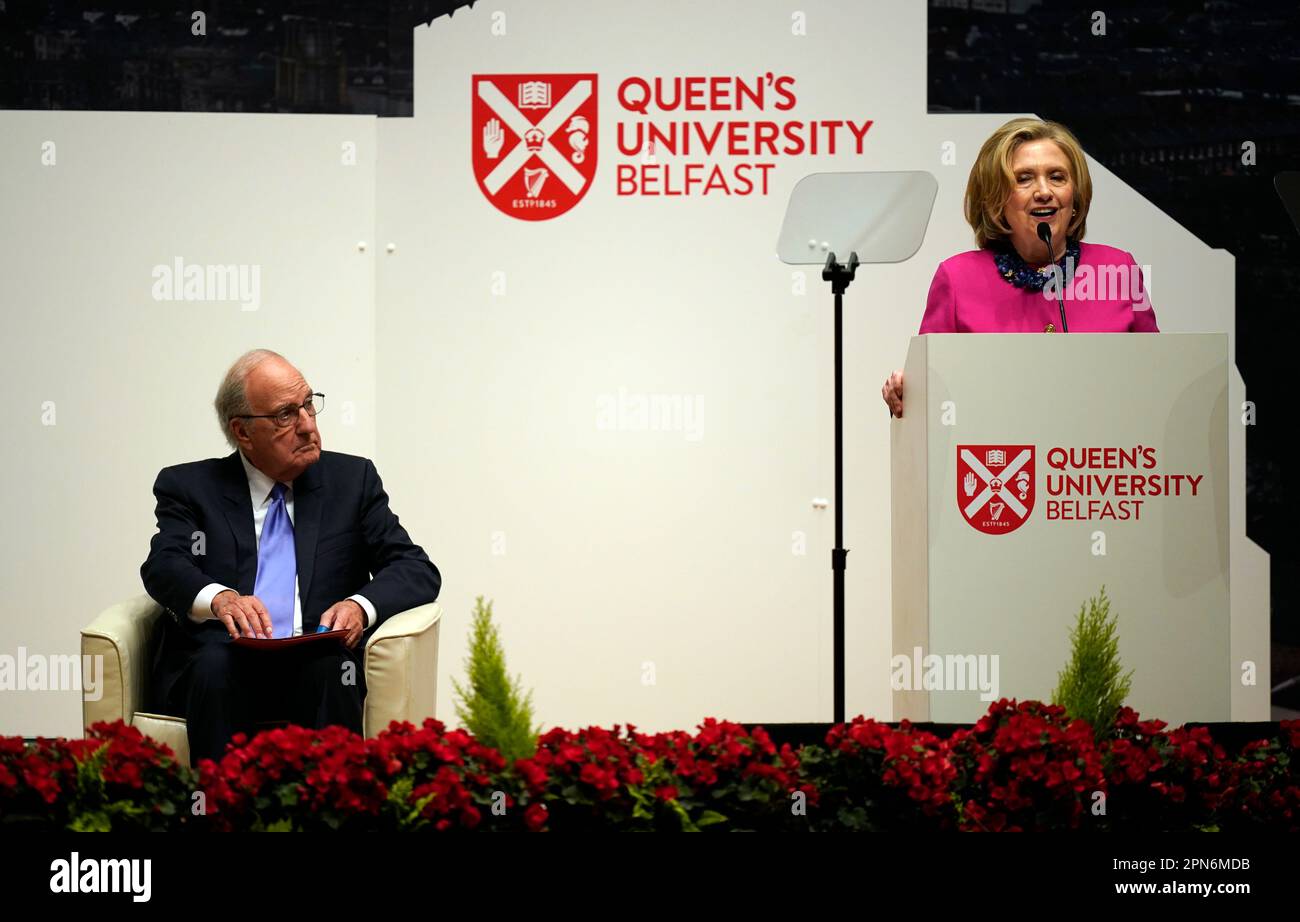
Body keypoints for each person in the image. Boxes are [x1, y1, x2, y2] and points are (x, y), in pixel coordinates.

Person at [140, 349, 441, 766]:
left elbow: (414, 568)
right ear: (242, 432)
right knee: (213, 666)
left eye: (308, 404)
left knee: (335, 671)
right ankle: (223, 812)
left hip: (316, 655)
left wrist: (359, 606)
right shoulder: (190, 487)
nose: (307, 425)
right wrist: (221, 599)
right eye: (285, 415)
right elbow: (164, 564)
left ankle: (337, 812)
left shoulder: (352, 482)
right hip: (226, 656)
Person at [882, 117, 1159, 417]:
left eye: (1057, 177)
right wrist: (905, 391)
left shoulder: (1118, 269)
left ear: (1075, 197)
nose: (1043, 191)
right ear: (996, 200)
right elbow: (931, 391)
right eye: (1024, 178)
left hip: (1101, 456)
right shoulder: (958, 278)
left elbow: (1161, 378)